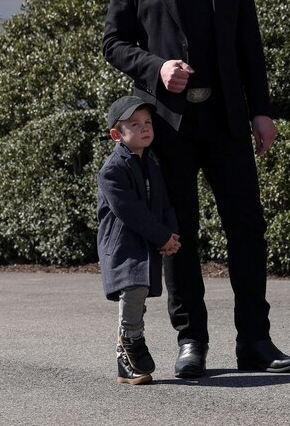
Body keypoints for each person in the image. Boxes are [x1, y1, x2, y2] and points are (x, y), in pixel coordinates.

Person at [103, 0, 290, 378]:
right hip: (168, 127)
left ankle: (255, 341)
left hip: (228, 120)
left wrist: (261, 110)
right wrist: (155, 66)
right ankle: (191, 341)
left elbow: (249, 46)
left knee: (247, 230)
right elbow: (114, 43)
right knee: (179, 234)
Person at [97, 95, 181, 385]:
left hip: (145, 242)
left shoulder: (151, 163)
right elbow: (130, 212)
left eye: (147, 123)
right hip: (122, 245)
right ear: (116, 135)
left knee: (140, 293)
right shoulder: (113, 170)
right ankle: (129, 343)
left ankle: (129, 351)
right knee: (133, 290)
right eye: (134, 124)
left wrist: (171, 234)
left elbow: (164, 203)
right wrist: (161, 235)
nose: (145, 128)